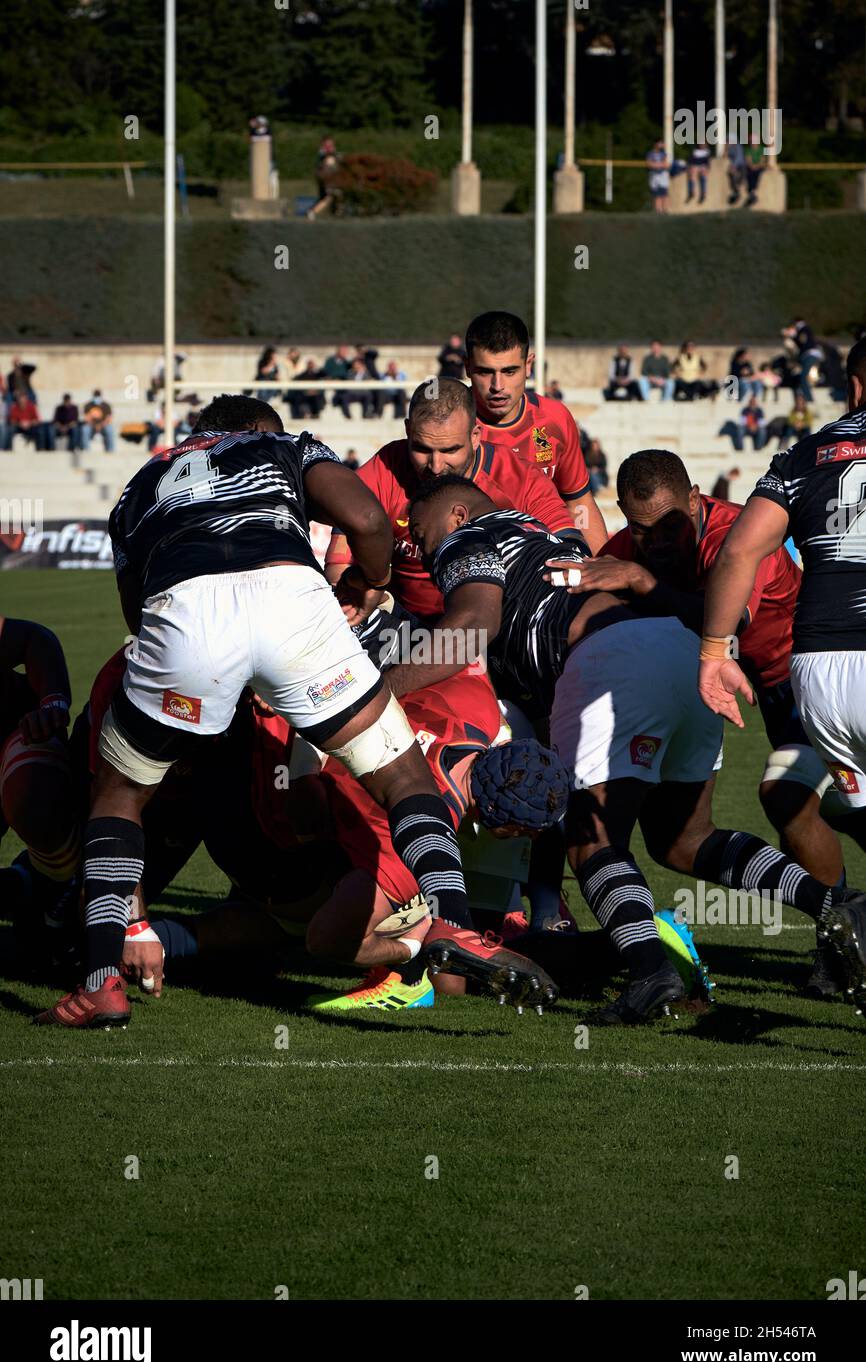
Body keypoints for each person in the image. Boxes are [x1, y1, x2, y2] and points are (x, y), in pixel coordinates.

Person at [35, 393, 553, 1028]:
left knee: (120, 795)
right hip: (291, 600)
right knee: (403, 775)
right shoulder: (281, 446)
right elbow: (365, 517)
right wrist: (373, 578)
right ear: (258, 432)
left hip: (186, 612)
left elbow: (133, 605)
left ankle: (99, 983)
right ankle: (451, 919)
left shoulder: (141, 482)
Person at [399, 475, 858, 1024]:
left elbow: (473, 625)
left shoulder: (466, 539)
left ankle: (650, 976)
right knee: (684, 839)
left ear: (453, 516)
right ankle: (838, 904)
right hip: (680, 650)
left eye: (421, 536)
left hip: (611, 658)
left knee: (593, 843)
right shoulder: (543, 534)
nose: (421, 553)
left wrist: (374, 693)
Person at [583, 450, 845, 955]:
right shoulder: (629, 546)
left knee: (789, 799)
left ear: (695, 500)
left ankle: (840, 931)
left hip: (804, 680)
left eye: (668, 528)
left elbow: (722, 623)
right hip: (741, 687)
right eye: (642, 531)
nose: (655, 545)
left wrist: (640, 582)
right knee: (679, 840)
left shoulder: (740, 536)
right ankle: (839, 925)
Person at [698, 337, 866, 1015]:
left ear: (852, 386)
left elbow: (741, 546)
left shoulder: (807, 454)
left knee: (799, 791)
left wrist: (713, 652)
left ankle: (846, 932)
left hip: (818, 674)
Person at [324, 377, 578, 621]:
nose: (435, 466)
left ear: (475, 436)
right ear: (407, 431)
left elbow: (573, 551)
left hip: (500, 630)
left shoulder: (517, 477)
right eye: (422, 449)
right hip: (407, 627)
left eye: (450, 450)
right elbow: (339, 567)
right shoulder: (387, 466)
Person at [463, 311, 607, 550]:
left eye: (509, 371)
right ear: (467, 367)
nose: (498, 386)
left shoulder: (554, 419)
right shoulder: (451, 429)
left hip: (544, 564)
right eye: (485, 372)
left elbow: (578, 503)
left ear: (528, 365)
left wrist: (599, 566)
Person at [0, 617, 80, 942]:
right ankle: (28, 883)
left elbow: (33, 639)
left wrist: (52, 703)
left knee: (35, 789)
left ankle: (62, 878)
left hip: (15, 730)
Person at [308, 136, 341, 220]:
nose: (331, 146)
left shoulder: (326, 153)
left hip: (326, 178)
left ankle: (335, 213)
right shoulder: (326, 154)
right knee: (329, 196)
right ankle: (312, 212)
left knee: (328, 197)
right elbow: (330, 163)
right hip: (327, 178)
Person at [646, 139, 670, 213]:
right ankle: (658, 210)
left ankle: (665, 210)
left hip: (662, 175)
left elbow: (666, 165)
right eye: (660, 143)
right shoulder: (650, 153)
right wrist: (659, 165)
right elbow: (649, 164)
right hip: (654, 175)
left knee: (664, 193)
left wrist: (657, 165)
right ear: (655, 144)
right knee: (656, 194)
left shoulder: (663, 154)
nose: (661, 145)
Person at [744, 136, 767, 207]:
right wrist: (752, 166)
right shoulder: (748, 149)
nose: (752, 143)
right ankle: (752, 193)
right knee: (749, 174)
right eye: (751, 141)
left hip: (759, 167)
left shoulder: (762, 149)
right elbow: (748, 161)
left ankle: (752, 192)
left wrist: (756, 166)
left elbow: (762, 161)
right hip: (751, 168)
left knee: (756, 174)